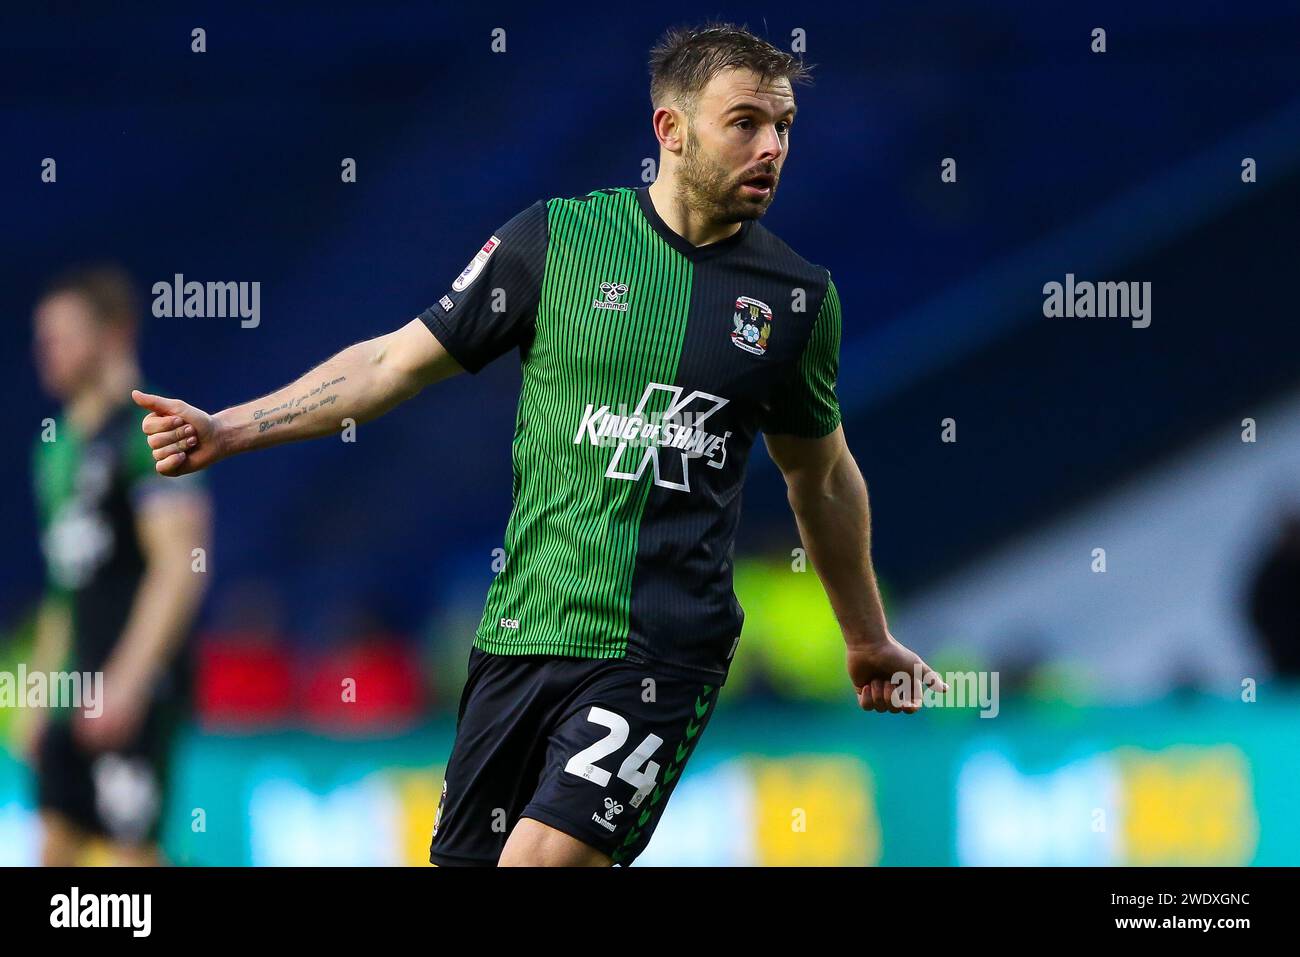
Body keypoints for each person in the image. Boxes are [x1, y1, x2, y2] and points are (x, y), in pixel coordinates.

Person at [130, 22, 945, 867]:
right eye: (745, 122)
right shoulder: (553, 242)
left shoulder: (797, 300)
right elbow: (390, 363)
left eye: (783, 126)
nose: (772, 145)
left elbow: (822, 478)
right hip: (521, 635)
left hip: (660, 652)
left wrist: (864, 635)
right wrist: (229, 427)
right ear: (670, 130)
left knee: (540, 863)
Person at [30, 265, 212, 865]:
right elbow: (66, 588)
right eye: (43, 338)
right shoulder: (55, 449)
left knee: (132, 859)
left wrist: (128, 679)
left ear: (114, 334)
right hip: (75, 685)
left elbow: (181, 566)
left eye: (64, 336)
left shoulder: (150, 433)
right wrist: (40, 688)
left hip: (135, 683)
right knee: (54, 843)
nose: (46, 351)